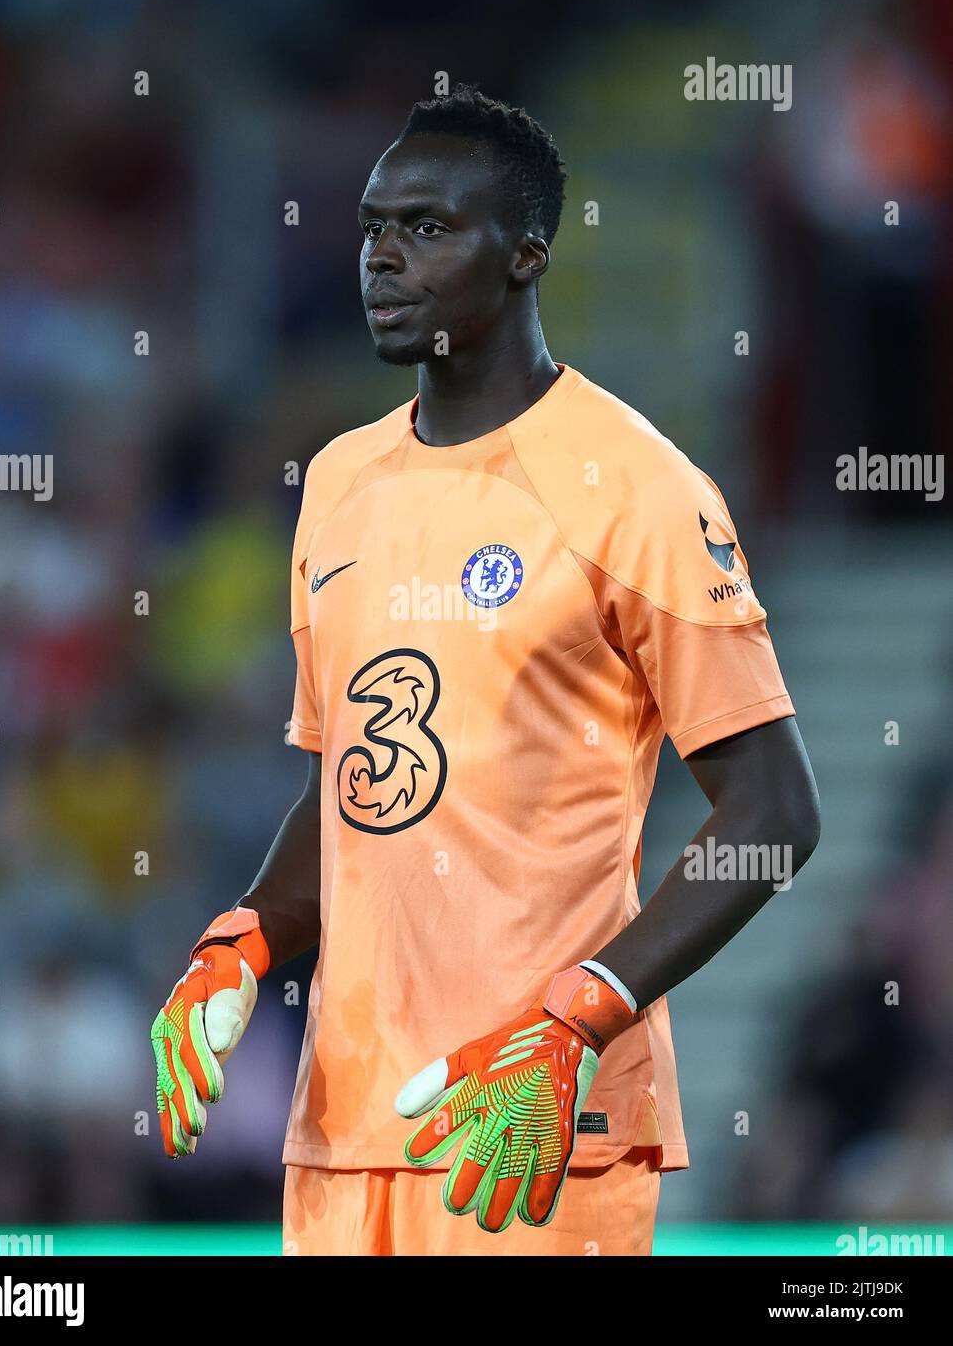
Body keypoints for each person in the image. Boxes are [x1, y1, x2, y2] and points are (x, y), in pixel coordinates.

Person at [152, 85, 820, 1257]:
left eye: (427, 228)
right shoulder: (340, 485)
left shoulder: (638, 490)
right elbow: (351, 791)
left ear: (525, 257)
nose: (383, 258)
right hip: (343, 1130)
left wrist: (581, 1016)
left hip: (533, 1124)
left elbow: (775, 810)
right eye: (372, 227)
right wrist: (244, 939)